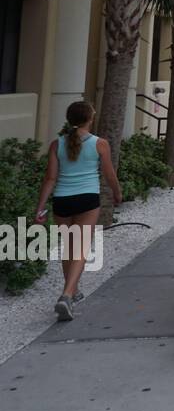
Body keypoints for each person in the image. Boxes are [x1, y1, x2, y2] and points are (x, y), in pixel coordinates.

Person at [34, 101, 123, 321]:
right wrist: (117, 193)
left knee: (68, 248)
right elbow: (109, 174)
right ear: (90, 119)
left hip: (62, 201)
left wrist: (40, 207)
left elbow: (50, 178)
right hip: (87, 200)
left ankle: (72, 291)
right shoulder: (99, 143)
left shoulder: (57, 144)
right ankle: (66, 294)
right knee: (81, 249)